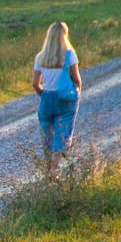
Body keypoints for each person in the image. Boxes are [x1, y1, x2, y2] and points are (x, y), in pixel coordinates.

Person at [32, 21, 82, 177]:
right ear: (64, 36)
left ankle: (48, 172)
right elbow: (77, 79)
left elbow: (35, 83)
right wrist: (76, 94)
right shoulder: (70, 55)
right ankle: (54, 171)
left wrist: (44, 95)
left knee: (47, 138)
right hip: (65, 100)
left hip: (46, 98)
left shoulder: (40, 57)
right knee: (62, 136)